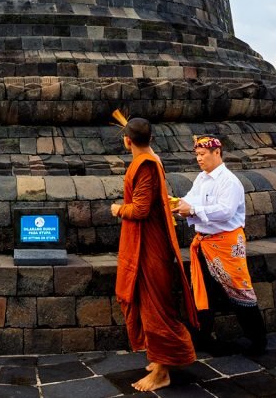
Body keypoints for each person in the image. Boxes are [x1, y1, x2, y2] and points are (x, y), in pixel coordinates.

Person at [110, 116, 197, 391]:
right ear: (151, 139)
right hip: (146, 242)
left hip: (149, 245)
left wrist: (118, 209)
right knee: (147, 300)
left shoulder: (145, 165)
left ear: (127, 141)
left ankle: (162, 370)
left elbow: (140, 210)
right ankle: (158, 356)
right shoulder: (152, 159)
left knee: (155, 305)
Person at [174, 135, 267, 355]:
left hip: (226, 245)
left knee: (240, 291)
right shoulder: (202, 178)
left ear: (217, 153)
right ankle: (202, 336)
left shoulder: (229, 181)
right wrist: (176, 204)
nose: (199, 159)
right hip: (205, 243)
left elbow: (226, 211)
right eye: (197, 155)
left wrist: (193, 210)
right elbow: (190, 199)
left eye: (202, 154)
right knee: (204, 290)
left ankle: (258, 340)